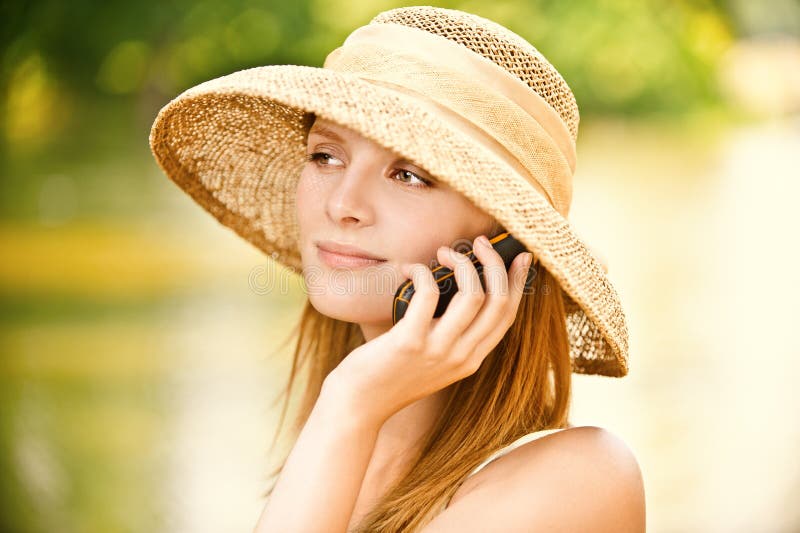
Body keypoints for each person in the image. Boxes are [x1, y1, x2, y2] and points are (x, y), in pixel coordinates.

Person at [149, 6, 645, 532]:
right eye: (325, 156)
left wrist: (350, 403)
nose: (343, 203)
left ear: (504, 244)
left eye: (409, 175)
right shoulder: (342, 441)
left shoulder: (578, 478)